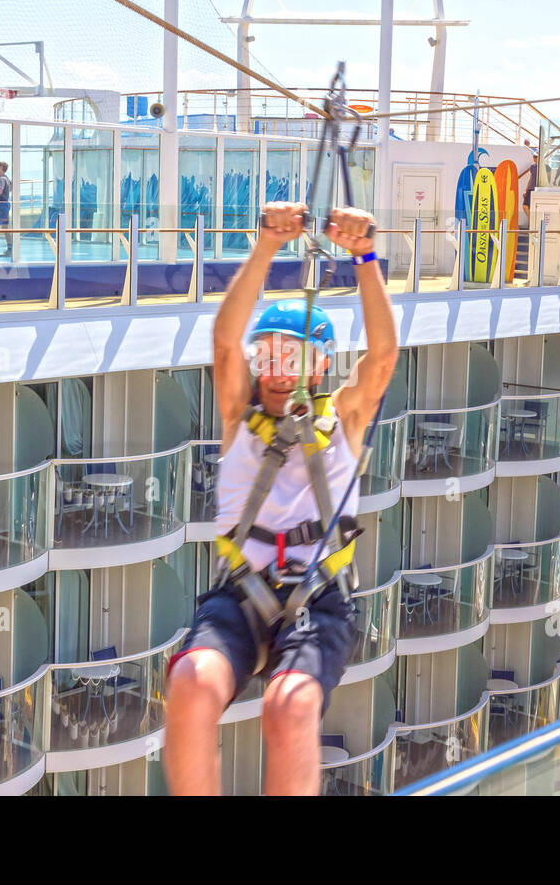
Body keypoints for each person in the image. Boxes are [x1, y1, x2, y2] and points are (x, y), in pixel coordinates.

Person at [164, 202, 397, 796]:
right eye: (267, 355)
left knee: (288, 706)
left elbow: (383, 356)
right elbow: (223, 342)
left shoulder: (342, 418)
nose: (274, 372)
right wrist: (267, 244)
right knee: (191, 681)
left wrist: (364, 256)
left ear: (318, 369)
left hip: (321, 601)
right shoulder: (240, 416)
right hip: (240, 593)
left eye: (291, 360)